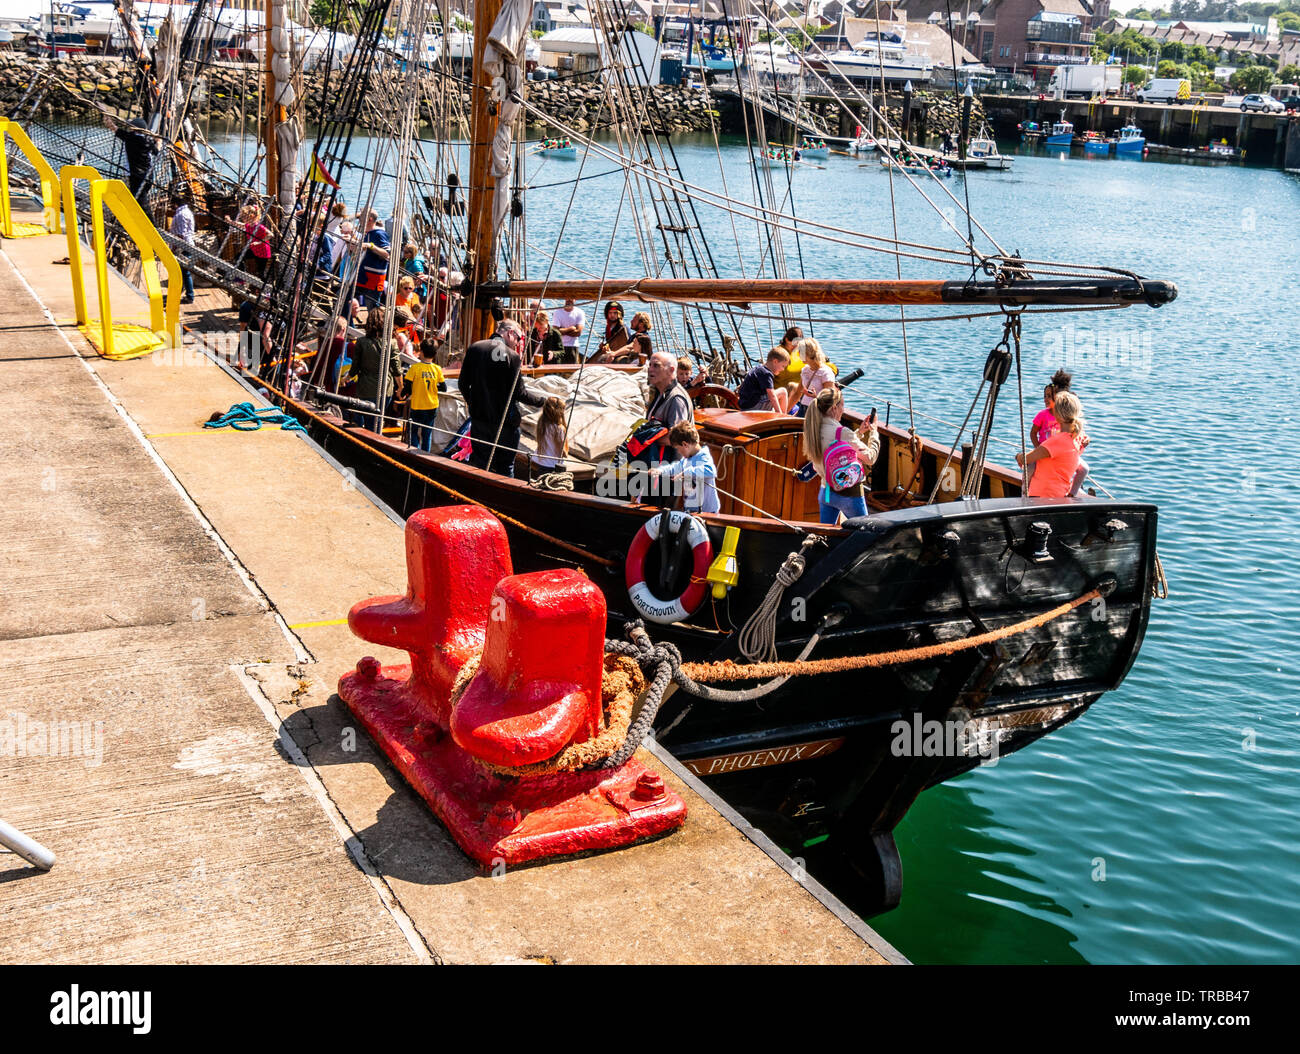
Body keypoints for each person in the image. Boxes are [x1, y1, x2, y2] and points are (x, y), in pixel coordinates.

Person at [459, 320, 545, 476]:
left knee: (479, 465)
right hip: (506, 425)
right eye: (519, 338)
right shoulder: (512, 357)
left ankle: (478, 495)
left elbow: (463, 384)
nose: (519, 343)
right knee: (505, 468)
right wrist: (542, 402)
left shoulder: (475, 348)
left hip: (480, 421)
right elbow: (520, 393)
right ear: (510, 333)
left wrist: (473, 404)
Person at [802, 387, 879, 524]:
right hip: (849, 495)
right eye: (842, 405)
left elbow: (836, 446)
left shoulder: (813, 430)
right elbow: (870, 458)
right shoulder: (842, 432)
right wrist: (874, 433)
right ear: (834, 408)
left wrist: (860, 432)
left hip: (826, 493)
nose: (843, 409)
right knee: (865, 533)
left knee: (825, 536)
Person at [1017, 391, 1085, 499]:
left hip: (1042, 498)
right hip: (1058, 497)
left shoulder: (1057, 441)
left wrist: (1018, 456)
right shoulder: (1077, 438)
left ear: (1057, 415)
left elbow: (1025, 459)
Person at [650, 420, 720, 515]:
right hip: (691, 510)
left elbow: (710, 470)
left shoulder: (704, 456)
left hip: (707, 512)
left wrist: (685, 473)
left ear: (685, 445)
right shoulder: (686, 459)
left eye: (678, 449)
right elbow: (675, 468)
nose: (679, 452)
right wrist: (660, 470)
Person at [349, 309, 402, 432]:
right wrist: (400, 387)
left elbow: (355, 367)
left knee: (367, 419)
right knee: (377, 419)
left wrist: (347, 378)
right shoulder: (391, 342)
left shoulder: (361, 342)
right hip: (385, 389)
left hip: (365, 389)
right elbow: (396, 368)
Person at [645, 350, 692, 462]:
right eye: (650, 365)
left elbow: (677, 438)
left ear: (671, 371)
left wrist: (644, 439)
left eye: (656, 366)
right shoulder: (660, 392)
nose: (650, 369)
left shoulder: (676, 399)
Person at [404, 339, 446, 453]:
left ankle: (414, 452)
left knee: (413, 431)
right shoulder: (437, 369)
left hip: (417, 406)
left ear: (421, 352)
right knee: (427, 433)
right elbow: (444, 388)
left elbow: (407, 387)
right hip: (432, 406)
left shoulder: (414, 368)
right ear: (435, 354)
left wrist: (401, 394)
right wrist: (433, 387)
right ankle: (425, 454)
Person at [106, 115, 157, 200]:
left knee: (139, 202)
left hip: (135, 176)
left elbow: (111, 126)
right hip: (149, 176)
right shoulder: (148, 141)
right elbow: (157, 152)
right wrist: (158, 141)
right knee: (139, 199)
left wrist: (105, 113)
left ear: (134, 128)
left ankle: (145, 214)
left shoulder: (130, 137)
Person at [736, 347, 790, 413]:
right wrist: (779, 412)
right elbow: (772, 395)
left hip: (745, 405)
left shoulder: (759, 368)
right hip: (753, 407)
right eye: (783, 366)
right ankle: (783, 417)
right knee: (783, 391)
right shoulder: (766, 374)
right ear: (775, 361)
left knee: (773, 401)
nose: (783, 369)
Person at [355, 209, 390, 309]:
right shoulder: (366, 234)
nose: (359, 221)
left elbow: (387, 254)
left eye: (360, 218)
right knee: (345, 300)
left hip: (373, 281)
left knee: (372, 308)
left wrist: (371, 246)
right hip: (362, 277)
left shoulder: (379, 234)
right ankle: (349, 324)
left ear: (369, 219)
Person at [793, 337, 833, 416]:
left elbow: (829, 400)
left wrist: (816, 396)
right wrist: (784, 414)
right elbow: (797, 393)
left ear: (808, 353)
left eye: (800, 352)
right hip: (802, 409)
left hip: (815, 413)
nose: (798, 355)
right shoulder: (805, 370)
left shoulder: (825, 373)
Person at [532, 395, 569, 475]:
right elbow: (563, 453)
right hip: (553, 466)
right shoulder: (559, 429)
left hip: (541, 463)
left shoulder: (542, 424)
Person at [170, 194, 196, 304]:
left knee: (184, 272)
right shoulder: (187, 212)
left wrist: (174, 248)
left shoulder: (181, 214)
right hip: (186, 245)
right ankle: (180, 292)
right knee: (181, 272)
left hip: (183, 247)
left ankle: (190, 296)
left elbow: (181, 234)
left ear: (176, 204)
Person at [240, 204, 272, 281]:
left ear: (251, 216)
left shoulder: (258, 226)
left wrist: (259, 242)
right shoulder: (248, 225)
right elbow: (240, 225)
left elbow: (270, 234)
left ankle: (265, 290)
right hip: (254, 250)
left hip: (263, 252)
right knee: (239, 257)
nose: (242, 218)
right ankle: (241, 277)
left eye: (244, 217)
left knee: (261, 273)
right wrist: (230, 221)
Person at [551, 296, 586, 363]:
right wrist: (571, 328)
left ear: (575, 299)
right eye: (567, 297)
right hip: (559, 346)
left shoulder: (580, 312)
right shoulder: (557, 312)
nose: (569, 300)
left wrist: (561, 331)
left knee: (572, 371)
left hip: (573, 346)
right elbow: (555, 332)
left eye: (571, 298)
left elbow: (578, 333)